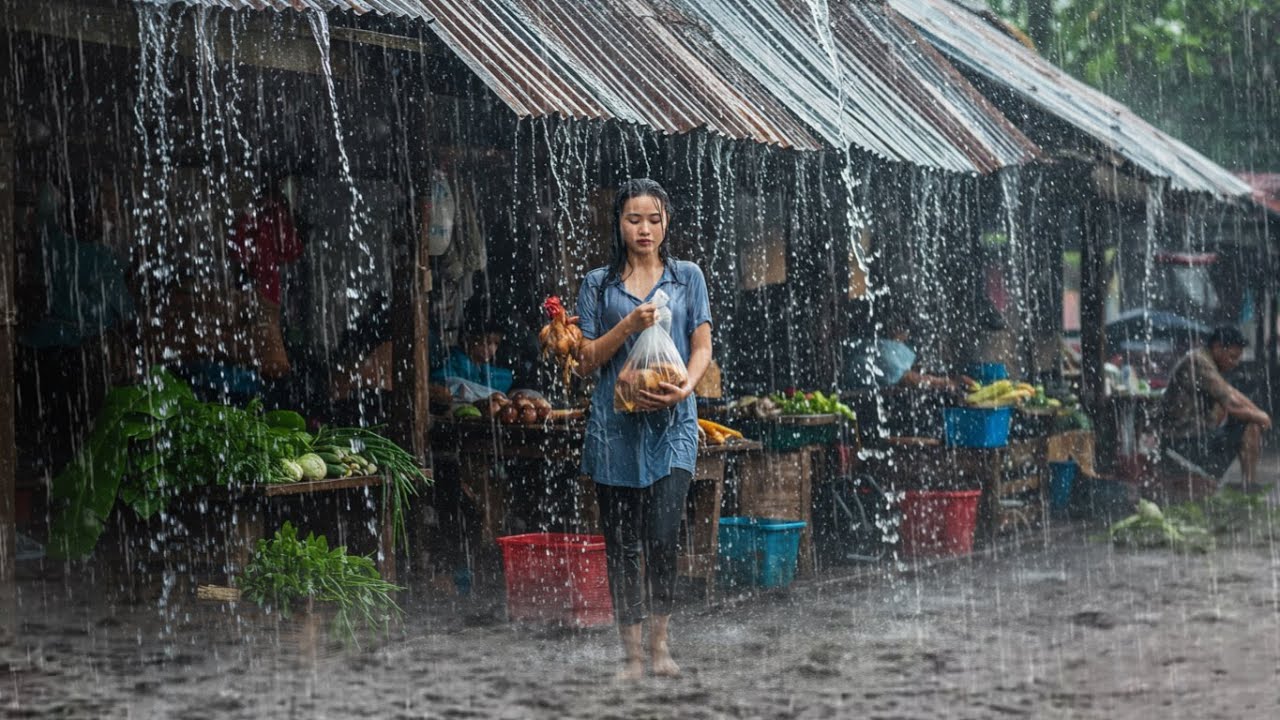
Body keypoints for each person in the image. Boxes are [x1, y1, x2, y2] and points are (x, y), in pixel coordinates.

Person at [574, 179, 712, 680]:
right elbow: (586, 359)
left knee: (660, 537)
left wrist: (687, 388)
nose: (645, 229)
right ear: (618, 224)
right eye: (634, 219)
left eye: (654, 219)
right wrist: (629, 326)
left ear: (666, 222)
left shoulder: (687, 277)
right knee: (621, 544)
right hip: (614, 430)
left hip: (673, 423)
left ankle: (660, 648)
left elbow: (701, 346)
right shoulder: (597, 284)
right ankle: (631, 657)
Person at [1159, 326, 1271, 487]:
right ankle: (1248, 486)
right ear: (1218, 347)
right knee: (1250, 424)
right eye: (1232, 357)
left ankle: (1249, 485)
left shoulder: (1207, 362)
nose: (1235, 363)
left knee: (1250, 421)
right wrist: (1259, 417)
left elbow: (1230, 391)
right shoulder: (1199, 362)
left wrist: (1258, 412)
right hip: (1184, 443)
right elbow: (1231, 403)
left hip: (1197, 438)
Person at [430, 316, 514, 399]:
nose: (492, 349)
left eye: (496, 344)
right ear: (468, 339)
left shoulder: (498, 375)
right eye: (487, 342)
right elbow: (441, 384)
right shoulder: (450, 363)